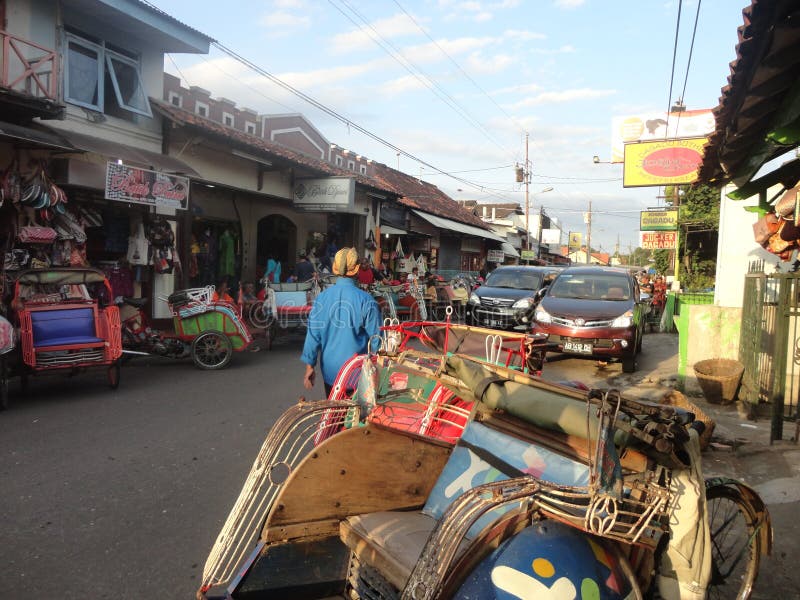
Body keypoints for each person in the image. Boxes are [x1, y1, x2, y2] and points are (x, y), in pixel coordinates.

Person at [301, 247, 382, 397]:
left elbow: (313, 336)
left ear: (335, 268)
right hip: (358, 374)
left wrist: (309, 367)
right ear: (357, 269)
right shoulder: (367, 301)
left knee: (333, 414)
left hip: (330, 372)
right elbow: (377, 340)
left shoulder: (321, 299)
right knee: (355, 418)